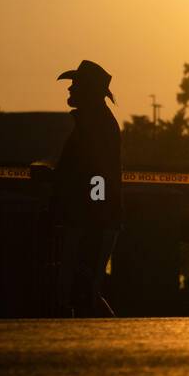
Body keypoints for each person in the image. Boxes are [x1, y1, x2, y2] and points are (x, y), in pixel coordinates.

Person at [51, 60, 123, 317]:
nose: (70, 90)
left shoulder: (95, 126)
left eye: (76, 85)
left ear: (89, 91)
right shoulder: (92, 123)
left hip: (92, 221)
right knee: (79, 288)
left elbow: (92, 174)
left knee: (84, 290)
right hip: (89, 219)